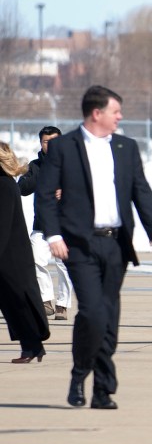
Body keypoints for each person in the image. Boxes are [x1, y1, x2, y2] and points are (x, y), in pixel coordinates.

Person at [36, 85, 152, 410]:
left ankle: (102, 390)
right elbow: (45, 194)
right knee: (93, 312)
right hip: (80, 245)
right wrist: (53, 236)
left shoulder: (126, 147)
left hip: (116, 245)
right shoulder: (64, 147)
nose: (120, 117)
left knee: (108, 318)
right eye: (115, 112)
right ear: (97, 113)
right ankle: (80, 374)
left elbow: (141, 190)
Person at [0, 142, 50, 364]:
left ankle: (32, 347)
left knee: (20, 304)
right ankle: (32, 348)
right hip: (10, 256)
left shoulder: (3, 184)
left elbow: (2, 223)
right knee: (15, 304)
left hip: (11, 257)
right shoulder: (5, 182)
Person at [18, 126, 73, 321]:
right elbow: (23, 188)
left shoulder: (72, 164)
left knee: (64, 266)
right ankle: (46, 300)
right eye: (46, 141)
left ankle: (62, 304)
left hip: (66, 226)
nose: (50, 145)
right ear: (40, 143)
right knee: (35, 259)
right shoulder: (35, 166)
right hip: (41, 225)